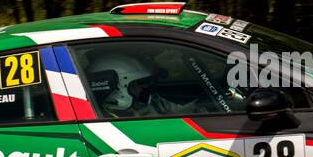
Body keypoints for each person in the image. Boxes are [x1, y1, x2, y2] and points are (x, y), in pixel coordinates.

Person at [87, 50, 235, 118]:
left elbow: (177, 110)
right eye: (136, 85)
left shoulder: (144, 103)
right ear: (117, 88)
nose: (143, 88)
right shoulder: (109, 121)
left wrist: (208, 102)